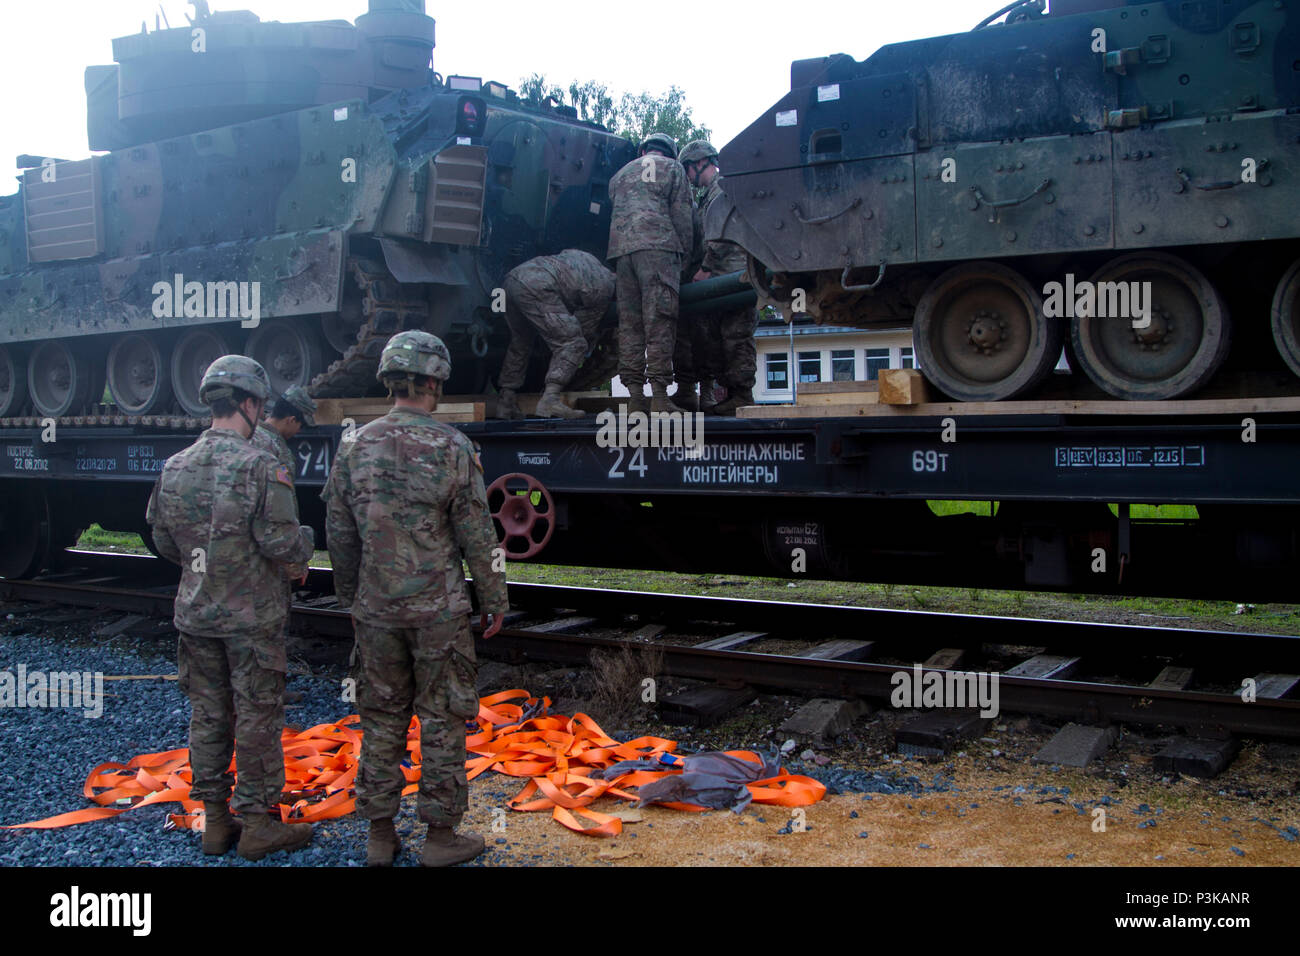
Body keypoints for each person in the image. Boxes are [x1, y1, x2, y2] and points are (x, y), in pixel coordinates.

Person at [322, 330, 510, 867]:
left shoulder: (354, 444)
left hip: (376, 611)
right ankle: (441, 838)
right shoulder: (453, 447)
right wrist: (493, 598)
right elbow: (478, 534)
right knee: (443, 719)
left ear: (389, 381)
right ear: (435, 380)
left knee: (380, 718)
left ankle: (380, 836)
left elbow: (339, 530)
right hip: (438, 612)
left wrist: (350, 593)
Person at [145, 355, 316, 861]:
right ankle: (259, 824)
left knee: (209, 716)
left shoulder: (174, 466)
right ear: (247, 403)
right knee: (257, 718)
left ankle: (216, 823)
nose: (262, 414)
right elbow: (281, 544)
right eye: (259, 405)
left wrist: (207, 563)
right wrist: (305, 542)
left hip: (196, 616)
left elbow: (162, 539)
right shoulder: (261, 465)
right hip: (252, 619)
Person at [606, 132, 694, 413]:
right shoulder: (673, 169)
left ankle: (635, 398)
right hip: (658, 249)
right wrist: (685, 261)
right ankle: (659, 396)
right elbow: (683, 217)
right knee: (660, 321)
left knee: (630, 325)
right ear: (670, 151)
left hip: (622, 253)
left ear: (643, 151)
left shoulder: (618, 176)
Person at [680, 139, 758, 415]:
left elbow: (719, 232)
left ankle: (743, 395)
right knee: (720, 337)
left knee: (737, 335)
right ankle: (732, 394)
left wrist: (705, 268)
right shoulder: (711, 193)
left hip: (734, 276)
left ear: (700, 163)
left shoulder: (723, 186)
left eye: (688, 170)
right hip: (724, 281)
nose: (689, 178)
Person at [496, 249, 616, 420]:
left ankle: (505, 402)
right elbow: (583, 330)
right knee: (573, 343)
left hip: (512, 280)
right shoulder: (605, 290)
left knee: (521, 342)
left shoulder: (590, 262)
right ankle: (550, 400)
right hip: (537, 287)